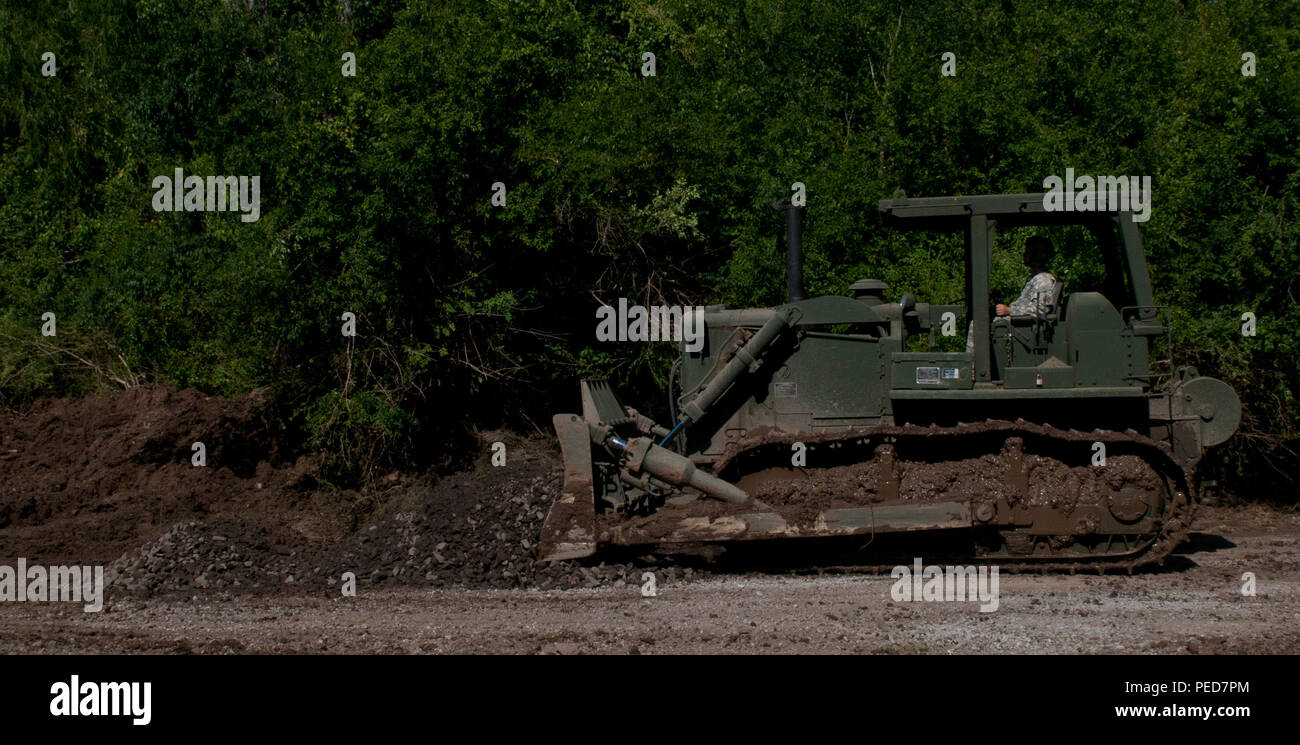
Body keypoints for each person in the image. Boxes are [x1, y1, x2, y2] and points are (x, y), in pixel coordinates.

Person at [967, 236, 1061, 353]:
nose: (1024, 254)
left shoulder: (1043, 280)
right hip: (1020, 326)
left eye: (1027, 252)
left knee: (978, 325)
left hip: (1025, 330)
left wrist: (1009, 311)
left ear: (1037, 254)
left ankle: (973, 366)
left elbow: (1040, 310)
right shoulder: (1034, 278)